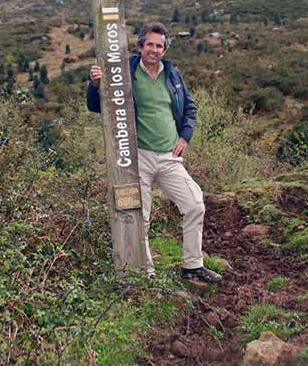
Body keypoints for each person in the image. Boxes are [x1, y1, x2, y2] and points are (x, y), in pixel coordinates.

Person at [86, 21, 221, 283]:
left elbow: (190, 109)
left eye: (160, 46)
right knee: (141, 217)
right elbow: (96, 106)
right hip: (139, 157)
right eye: (150, 44)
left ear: (164, 49)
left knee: (194, 204)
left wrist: (185, 136)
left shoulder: (172, 75)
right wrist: (94, 84)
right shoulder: (125, 72)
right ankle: (145, 275)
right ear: (140, 46)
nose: (155, 50)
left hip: (170, 158)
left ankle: (192, 266)